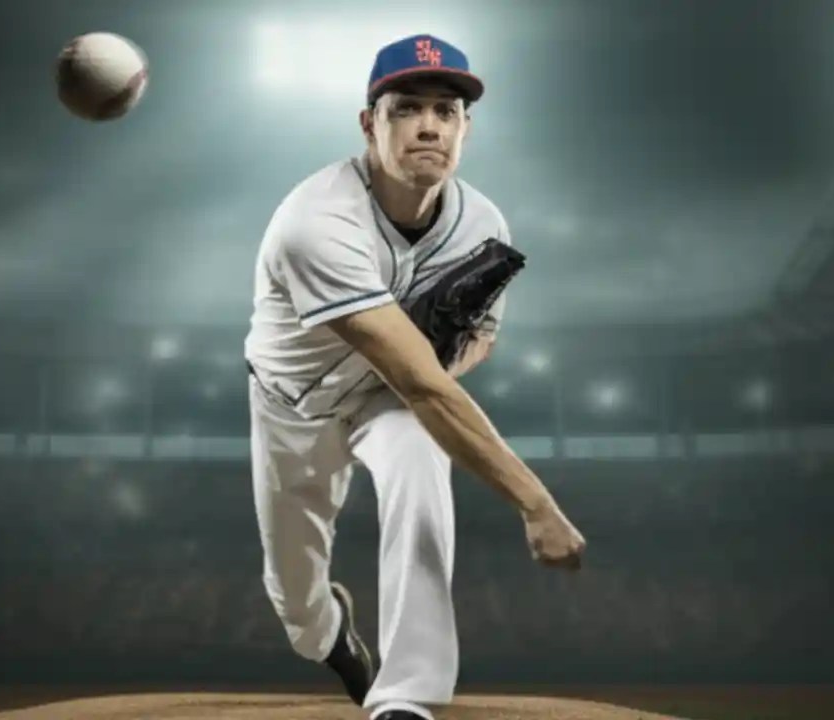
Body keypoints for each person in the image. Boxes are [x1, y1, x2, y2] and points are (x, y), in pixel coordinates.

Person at [243, 33, 587, 720]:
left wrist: (439, 359)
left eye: (447, 110)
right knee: (296, 603)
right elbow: (429, 385)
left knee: (423, 455)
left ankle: (407, 694)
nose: (430, 125)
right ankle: (332, 635)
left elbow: (474, 344)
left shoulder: (481, 224)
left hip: (384, 397)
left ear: (466, 127)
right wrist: (536, 504)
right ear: (371, 123)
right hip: (291, 405)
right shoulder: (316, 220)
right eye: (407, 108)